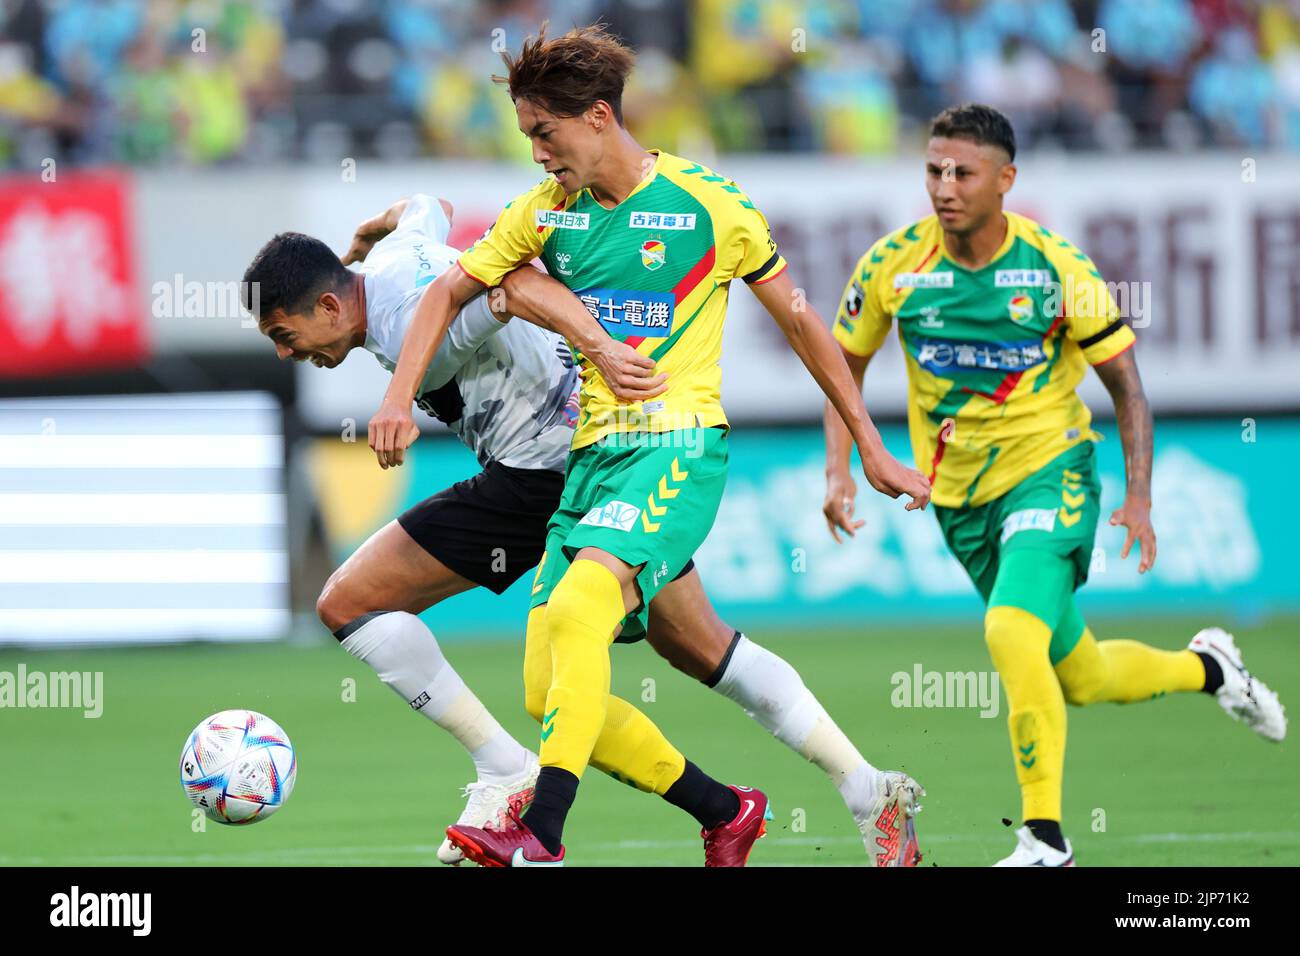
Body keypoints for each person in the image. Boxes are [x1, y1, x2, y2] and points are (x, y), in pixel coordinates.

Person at [367, 24, 931, 867]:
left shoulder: (712, 205)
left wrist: (868, 447)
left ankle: (541, 833)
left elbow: (806, 325)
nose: (536, 155)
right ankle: (761, 806)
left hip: (678, 448)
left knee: (581, 610)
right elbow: (449, 291)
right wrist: (397, 397)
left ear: (597, 118)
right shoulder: (544, 215)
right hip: (592, 467)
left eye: (544, 134)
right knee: (547, 689)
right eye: (526, 137)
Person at [242, 190, 925, 866]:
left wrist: (593, 346)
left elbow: (514, 286)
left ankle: (506, 771)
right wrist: (377, 228)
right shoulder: (397, 253)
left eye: (283, 334)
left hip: (537, 477)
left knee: (349, 602)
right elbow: (433, 204)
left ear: (330, 306)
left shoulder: (405, 322)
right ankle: (837, 793)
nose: (284, 353)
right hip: (598, 463)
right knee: (699, 648)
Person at [823, 103, 1287, 867]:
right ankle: (1211, 668)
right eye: (934, 169)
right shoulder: (892, 265)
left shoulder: (1055, 269)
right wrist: (841, 466)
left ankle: (1045, 840)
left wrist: (1137, 497)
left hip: (1052, 472)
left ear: (1006, 180)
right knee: (1082, 675)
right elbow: (845, 364)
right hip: (960, 501)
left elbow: (1127, 387)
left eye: (962, 172)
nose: (944, 186)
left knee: (1010, 631)